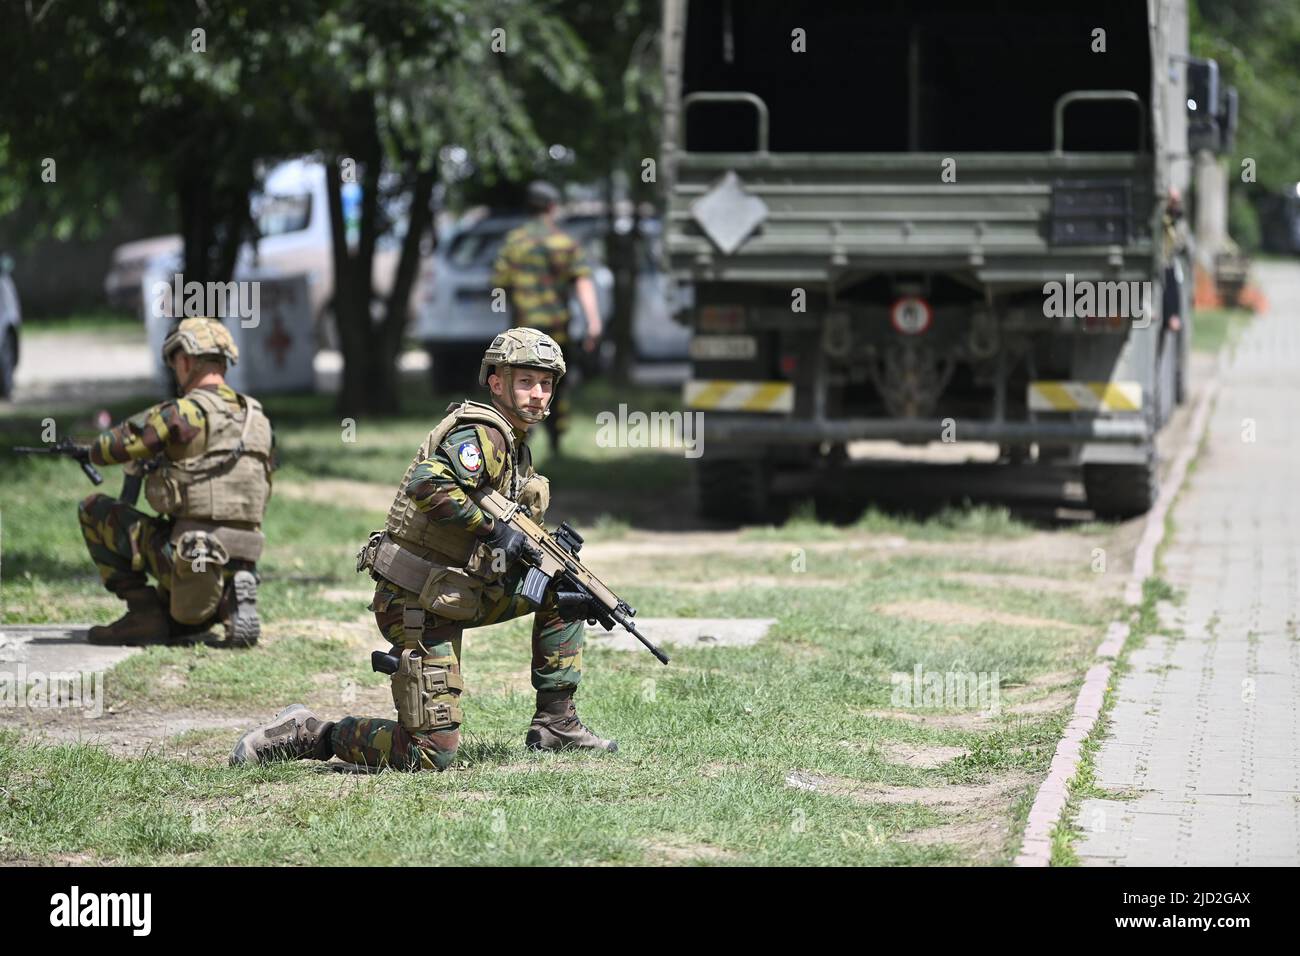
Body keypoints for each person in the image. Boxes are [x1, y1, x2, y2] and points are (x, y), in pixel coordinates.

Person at [230, 328, 616, 769]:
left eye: (546, 384)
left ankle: (555, 724)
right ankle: (309, 733)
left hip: (456, 591)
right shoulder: (483, 434)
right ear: (496, 382)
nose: (537, 394)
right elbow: (428, 483)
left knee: (563, 588)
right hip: (414, 600)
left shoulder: (514, 447)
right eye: (526, 381)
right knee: (430, 754)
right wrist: (492, 528)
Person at [78, 317, 273, 647]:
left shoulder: (180, 412)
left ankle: (144, 614)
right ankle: (229, 601)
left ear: (185, 361)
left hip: (188, 553)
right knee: (192, 555)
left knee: (94, 509)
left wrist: (88, 449)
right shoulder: (257, 418)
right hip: (244, 553)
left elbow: (110, 448)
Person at [489, 180, 602, 455]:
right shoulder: (564, 242)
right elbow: (583, 283)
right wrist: (593, 322)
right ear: (552, 207)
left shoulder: (514, 242)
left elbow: (498, 283)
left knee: (520, 382)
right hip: (556, 330)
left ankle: (517, 436)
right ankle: (556, 441)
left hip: (523, 329)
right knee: (553, 383)